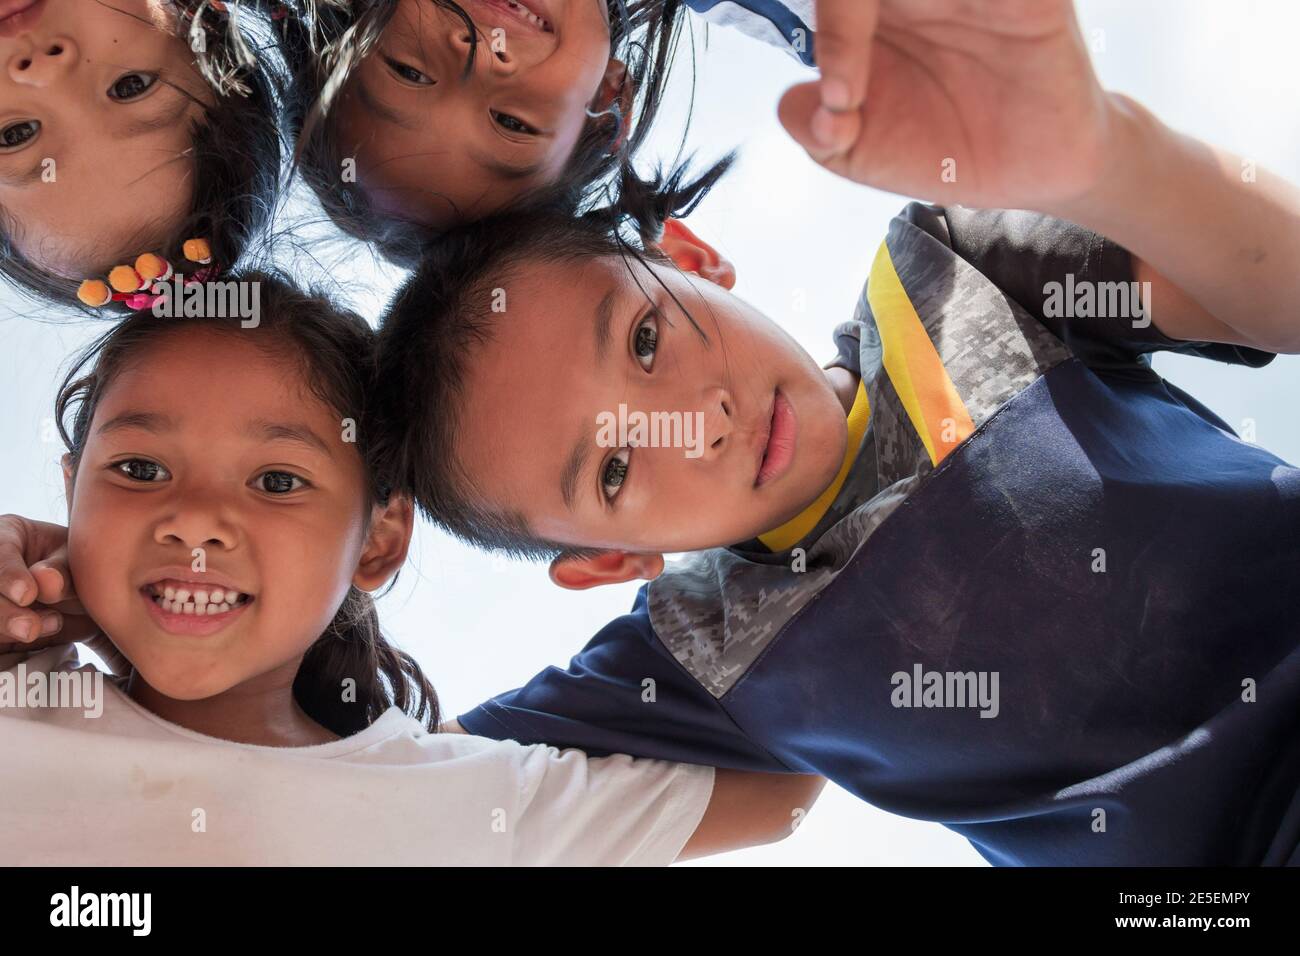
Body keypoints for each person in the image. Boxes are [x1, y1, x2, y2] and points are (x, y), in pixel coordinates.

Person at [0, 271, 823, 864]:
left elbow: (784, 770)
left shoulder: (480, 798)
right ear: (70, 493)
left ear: (379, 540)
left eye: (278, 481)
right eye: (139, 470)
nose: (194, 522)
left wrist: (748, 477)